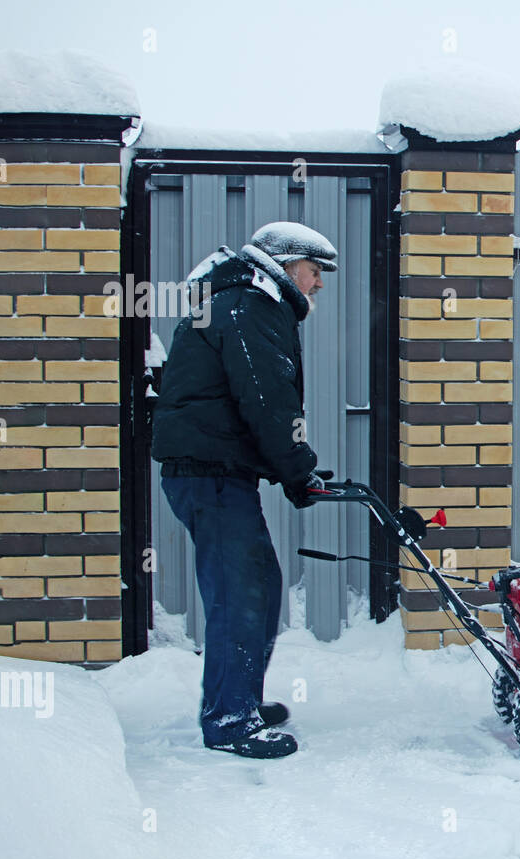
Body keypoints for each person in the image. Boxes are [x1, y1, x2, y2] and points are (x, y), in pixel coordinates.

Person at [150, 222, 338, 759]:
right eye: (315, 270)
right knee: (241, 592)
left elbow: (260, 400)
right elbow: (266, 398)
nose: (319, 283)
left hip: (214, 470)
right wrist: (298, 471)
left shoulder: (242, 300)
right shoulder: (250, 304)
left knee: (256, 584)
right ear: (286, 263)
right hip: (207, 473)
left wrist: (295, 470)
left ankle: (240, 702)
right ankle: (231, 720)